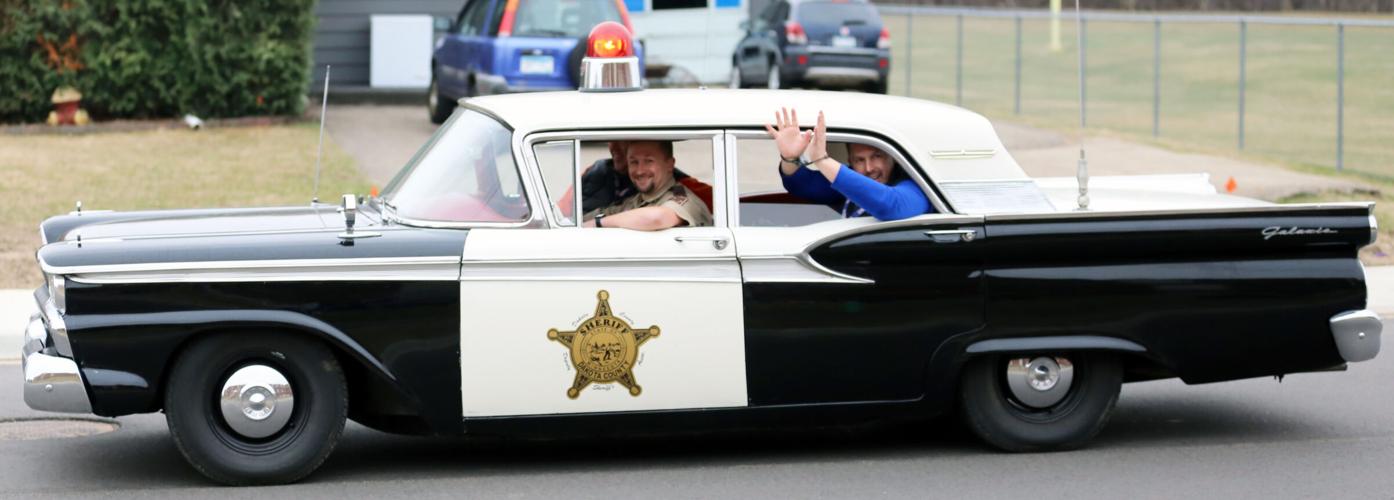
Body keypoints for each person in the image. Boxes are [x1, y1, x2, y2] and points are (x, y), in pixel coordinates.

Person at [765, 108, 932, 220]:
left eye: (877, 156)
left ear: (893, 157)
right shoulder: (850, 179)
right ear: (850, 161)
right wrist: (790, 157)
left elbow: (890, 205)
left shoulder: (915, 187)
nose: (869, 168)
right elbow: (800, 184)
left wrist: (822, 160)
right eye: (860, 160)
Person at [583, 140, 712, 230]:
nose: (640, 171)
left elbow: (657, 218)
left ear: (670, 164)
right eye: (634, 162)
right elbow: (596, 215)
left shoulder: (684, 198)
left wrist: (599, 223)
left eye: (649, 161)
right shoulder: (634, 201)